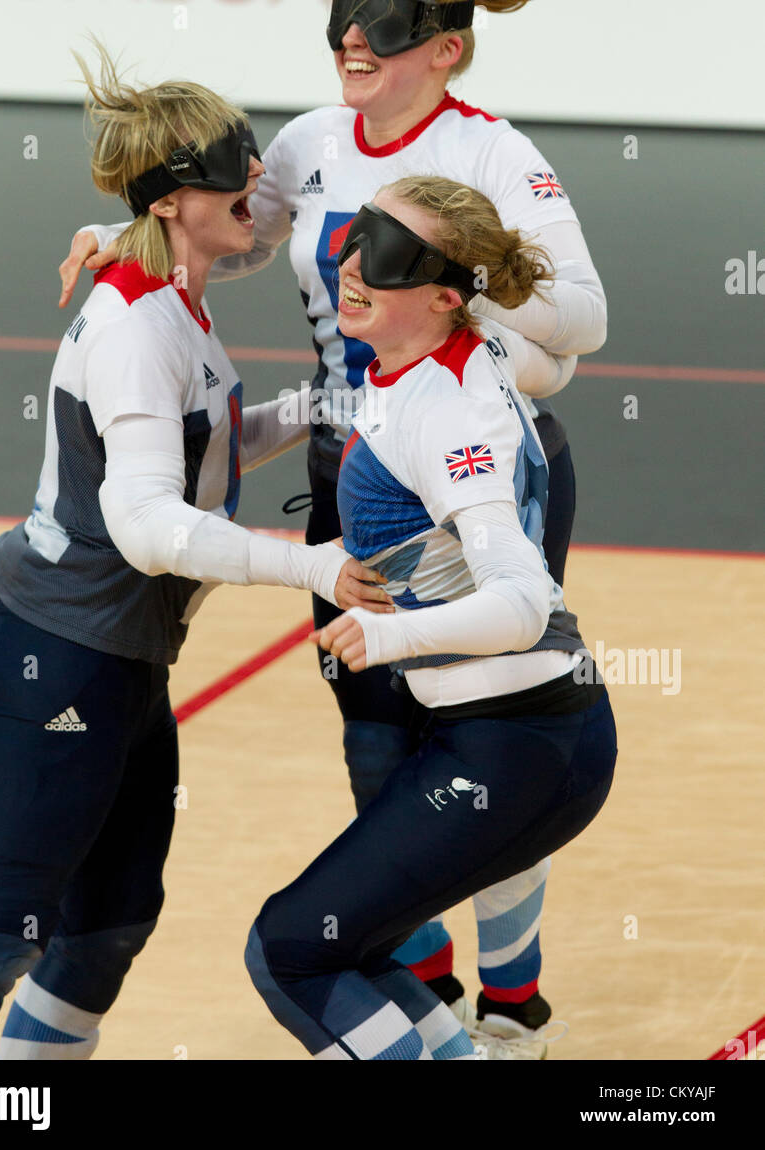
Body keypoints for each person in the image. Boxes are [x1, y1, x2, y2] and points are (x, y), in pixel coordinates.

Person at [57, 0, 607, 1043]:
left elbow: (583, 322)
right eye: (343, 15)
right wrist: (127, 239)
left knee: (486, 724)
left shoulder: (495, 153)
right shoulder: (311, 141)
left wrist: (455, 281)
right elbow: (222, 231)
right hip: (350, 460)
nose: (352, 39)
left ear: (445, 49)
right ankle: (426, 987)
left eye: (385, 23)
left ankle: (513, 1005)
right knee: (376, 747)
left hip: (465, 456)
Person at [0, 47, 389, 1061]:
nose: (254, 181)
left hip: (120, 659)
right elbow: (151, 526)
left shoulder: (175, 295)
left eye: (253, 160)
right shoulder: (135, 326)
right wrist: (306, 566)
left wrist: (323, 405)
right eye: (230, 172)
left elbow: (202, 444)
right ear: (172, 202)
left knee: (109, 922)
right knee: (0, 927)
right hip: (56, 649)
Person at [244, 177, 617, 1060]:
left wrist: (388, 634)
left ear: (445, 295)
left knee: (291, 951)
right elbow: (555, 360)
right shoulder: (457, 346)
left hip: (521, 742)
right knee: (339, 939)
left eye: (385, 253)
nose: (350, 266)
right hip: (516, 733)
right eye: (356, 236)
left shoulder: (451, 413)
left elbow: (525, 603)